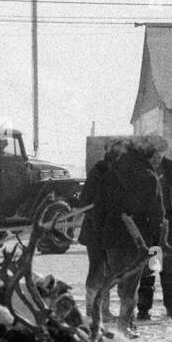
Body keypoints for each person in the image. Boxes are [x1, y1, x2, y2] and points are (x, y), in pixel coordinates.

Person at [98, 134, 165, 337]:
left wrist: (103, 232)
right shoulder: (149, 176)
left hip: (112, 235)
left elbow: (99, 208)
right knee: (131, 286)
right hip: (138, 239)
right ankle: (125, 324)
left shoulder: (111, 174)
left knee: (114, 279)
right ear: (148, 154)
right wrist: (156, 239)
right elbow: (157, 213)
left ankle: (104, 320)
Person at [136, 137, 172, 320]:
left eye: (161, 152)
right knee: (150, 267)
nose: (158, 156)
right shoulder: (141, 171)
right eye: (155, 152)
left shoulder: (171, 170)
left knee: (171, 268)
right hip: (152, 227)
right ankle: (144, 309)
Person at [77, 138, 125, 324]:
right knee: (97, 271)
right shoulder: (99, 171)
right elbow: (86, 201)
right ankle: (91, 311)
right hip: (96, 231)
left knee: (108, 273)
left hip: (110, 231)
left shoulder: (119, 172)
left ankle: (103, 310)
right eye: (119, 152)